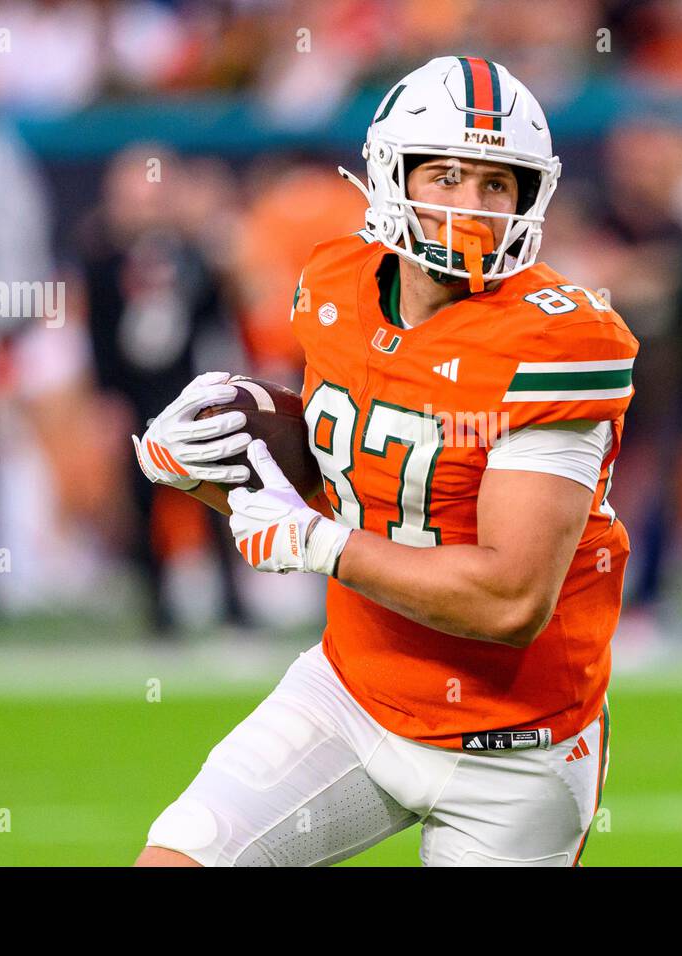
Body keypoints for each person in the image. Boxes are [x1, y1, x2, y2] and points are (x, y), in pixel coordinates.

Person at [131, 56, 638, 866]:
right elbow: (347, 471)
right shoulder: (337, 284)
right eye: (446, 175)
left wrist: (318, 544)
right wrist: (205, 461)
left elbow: (512, 599)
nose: (472, 208)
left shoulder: (558, 341)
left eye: (496, 186)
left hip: (514, 747)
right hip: (351, 693)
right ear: (389, 174)